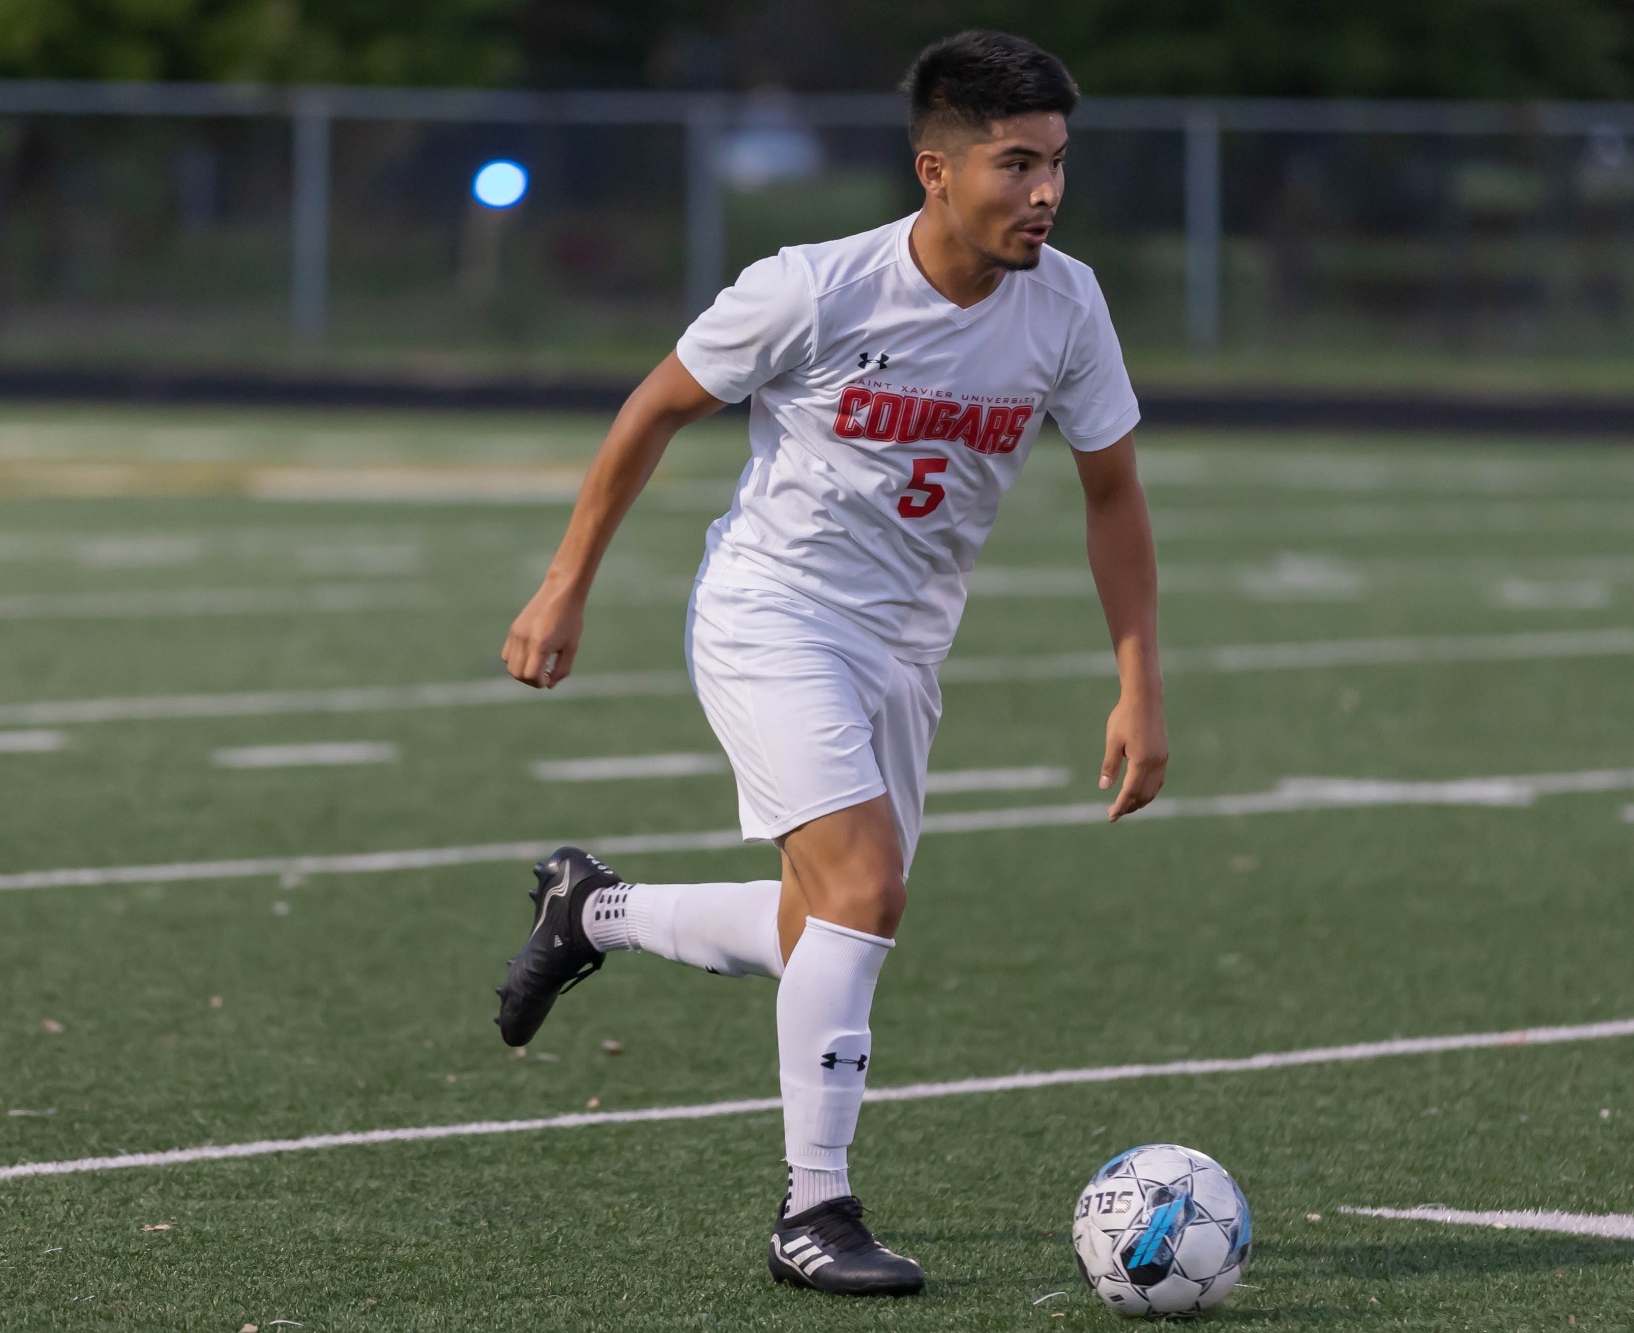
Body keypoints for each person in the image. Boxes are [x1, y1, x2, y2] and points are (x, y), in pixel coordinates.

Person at [493, 28, 1167, 1298]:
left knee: (824, 922)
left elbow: (1113, 493)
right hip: (770, 615)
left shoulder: (1066, 303)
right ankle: (814, 1211)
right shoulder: (812, 288)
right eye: (1015, 165)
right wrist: (565, 582)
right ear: (933, 169)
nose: (1044, 194)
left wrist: (1138, 680)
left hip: (906, 647)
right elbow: (653, 410)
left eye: (1057, 165)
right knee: (865, 888)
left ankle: (592, 910)